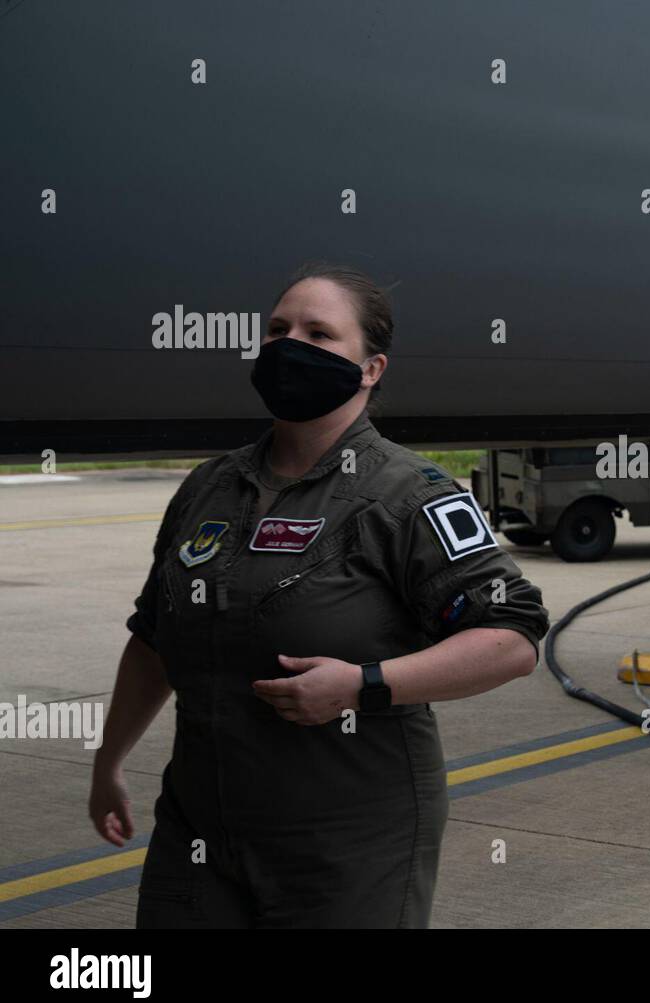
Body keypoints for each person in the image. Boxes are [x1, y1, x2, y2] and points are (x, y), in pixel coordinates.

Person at [89, 264, 549, 928]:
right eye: (277, 329)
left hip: (348, 845)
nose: (289, 346)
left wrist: (365, 684)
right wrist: (109, 762)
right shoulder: (210, 488)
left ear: (370, 368)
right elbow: (154, 638)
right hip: (200, 834)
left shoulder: (408, 493)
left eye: (319, 334)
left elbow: (512, 637)